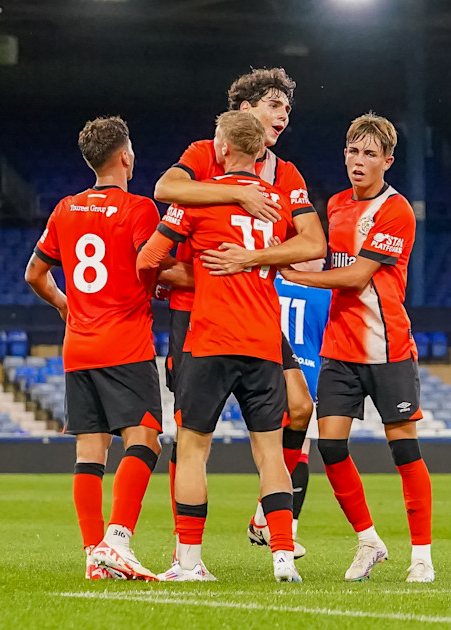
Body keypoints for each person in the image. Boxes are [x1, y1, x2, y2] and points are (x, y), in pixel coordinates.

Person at [138, 111, 316, 583]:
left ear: (221, 149)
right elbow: (313, 244)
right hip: (262, 341)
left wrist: (169, 279)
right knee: (271, 454)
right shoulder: (276, 202)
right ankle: (281, 554)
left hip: (210, 338)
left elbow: (149, 259)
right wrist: (259, 260)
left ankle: (190, 563)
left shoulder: (198, 203)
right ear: (260, 152)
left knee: (194, 450)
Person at [276, 113, 435, 583]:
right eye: (352, 151)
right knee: (329, 445)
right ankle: (369, 540)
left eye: (369, 154)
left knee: (404, 452)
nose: (358, 161)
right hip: (339, 349)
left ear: (388, 160)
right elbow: (332, 260)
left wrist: (295, 275)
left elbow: (356, 276)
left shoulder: (396, 210)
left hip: (387, 349)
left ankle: (422, 556)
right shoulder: (338, 204)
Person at [24, 116, 172, 582]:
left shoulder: (65, 208)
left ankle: (94, 555)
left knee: (90, 453)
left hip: (79, 346)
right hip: (124, 342)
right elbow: (151, 267)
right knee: (144, 438)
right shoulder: (139, 208)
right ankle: (118, 540)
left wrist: (65, 305)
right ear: (125, 156)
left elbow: (34, 273)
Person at [272, 263, 331, 553]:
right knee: (298, 451)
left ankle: (272, 525)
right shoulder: (326, 291)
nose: (321, 260)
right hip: (306, 375)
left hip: (267, 368)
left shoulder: (270, 280)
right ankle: (285, 530)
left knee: (270, 450)